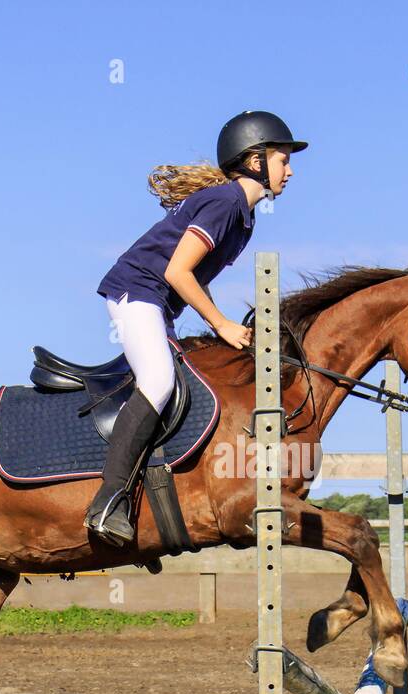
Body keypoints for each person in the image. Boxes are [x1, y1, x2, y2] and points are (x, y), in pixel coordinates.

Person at [85, 110, 307, 546]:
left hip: (156, 302)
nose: (290, 170)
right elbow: (179, 273)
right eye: (283, 160)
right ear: (256, 161)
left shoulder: (244, 217)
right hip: (137, 291)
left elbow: (193, 280)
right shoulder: (226, 202)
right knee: (159, 380)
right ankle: (108, 500)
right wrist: (221, 324)